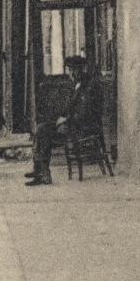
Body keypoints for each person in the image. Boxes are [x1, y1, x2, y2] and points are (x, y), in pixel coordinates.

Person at [26, 54, 103, 185]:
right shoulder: (75, 85)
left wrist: (66, 120)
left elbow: (85, 112)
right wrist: (60, 117)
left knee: (45, 133)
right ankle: (40, 169)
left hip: (85, 126)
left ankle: (42, 172)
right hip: (74, 122)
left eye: (74, 69)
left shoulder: (89, 86)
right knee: (41, 129)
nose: (71, 73)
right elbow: (68, 107)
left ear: (82, 69)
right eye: (69, 69)